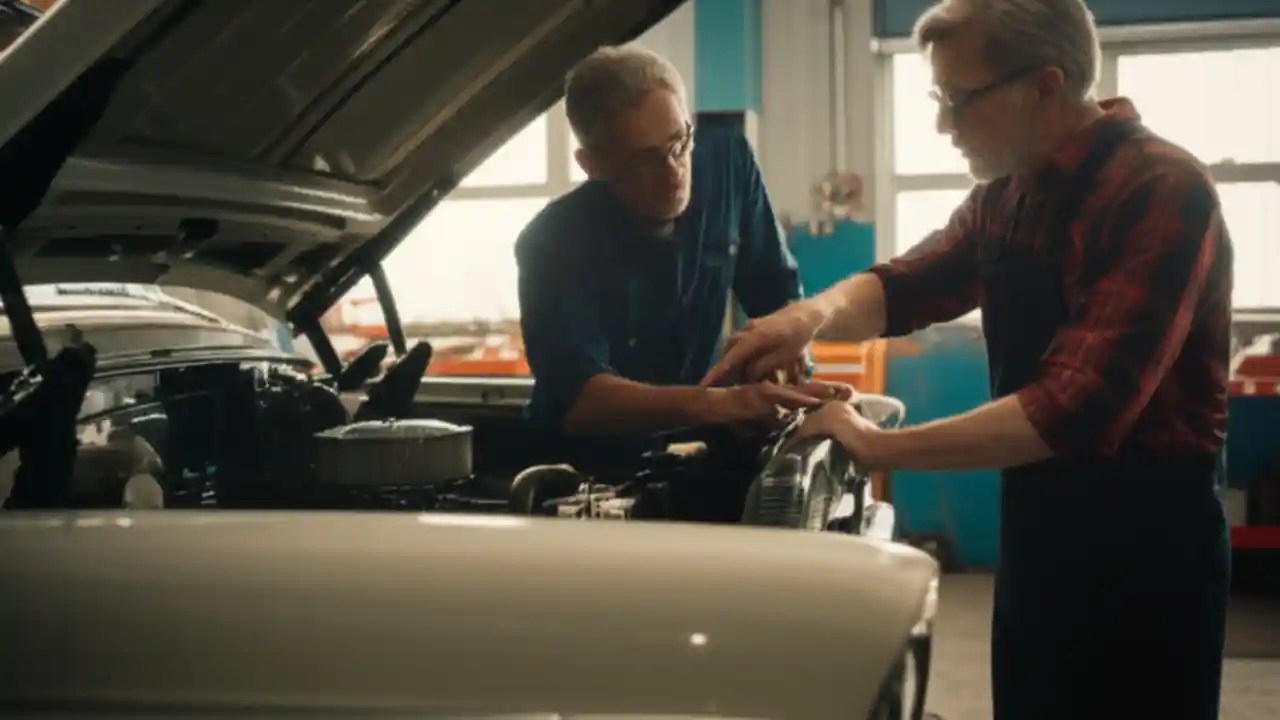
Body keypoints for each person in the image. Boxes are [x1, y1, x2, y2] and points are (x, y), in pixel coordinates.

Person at [702, 1, 1233, 718]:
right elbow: (908, 283)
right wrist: (804, 320)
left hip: (1145, 544)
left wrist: (874, 442)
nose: (944, 126)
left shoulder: (1162, 191)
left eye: (958, 100)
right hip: (1041, 522)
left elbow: (1072, 409)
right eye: (937, 99)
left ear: (1044, 86)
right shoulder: (1004, 195)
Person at [514, 45, 847, 486]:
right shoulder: (551, 243)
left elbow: (776, 295)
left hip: (699, 453)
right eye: (644, 160)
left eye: (679, 143)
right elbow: (581, 400)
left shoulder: (726, 160)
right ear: (592, 164)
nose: (672, 170)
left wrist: (784, 358)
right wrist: (726, 403)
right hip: (587, 477)